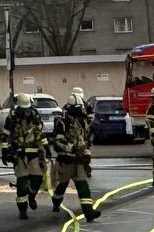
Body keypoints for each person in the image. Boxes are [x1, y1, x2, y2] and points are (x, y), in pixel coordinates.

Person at [50, 88, 99, 222]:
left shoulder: (81, 122)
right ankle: (56, 201)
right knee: (62, 185)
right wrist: (71, 148)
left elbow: (84, 140)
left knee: (82, 185)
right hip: (65, 160)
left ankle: (89, 213)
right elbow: (57, 142)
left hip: (78, 160)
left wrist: (86, 154)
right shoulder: (62, 122)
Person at [2, 93, 49, 219]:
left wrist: (47, 148)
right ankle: (23, 210)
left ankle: (32, 196)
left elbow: (40, 133)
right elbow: (5, 135)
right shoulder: (11, 118)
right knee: (22, 184)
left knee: (37, 179)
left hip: (35, 153)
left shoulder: (35, 116)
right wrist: (4, 151)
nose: (26, 111)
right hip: (19, 155)